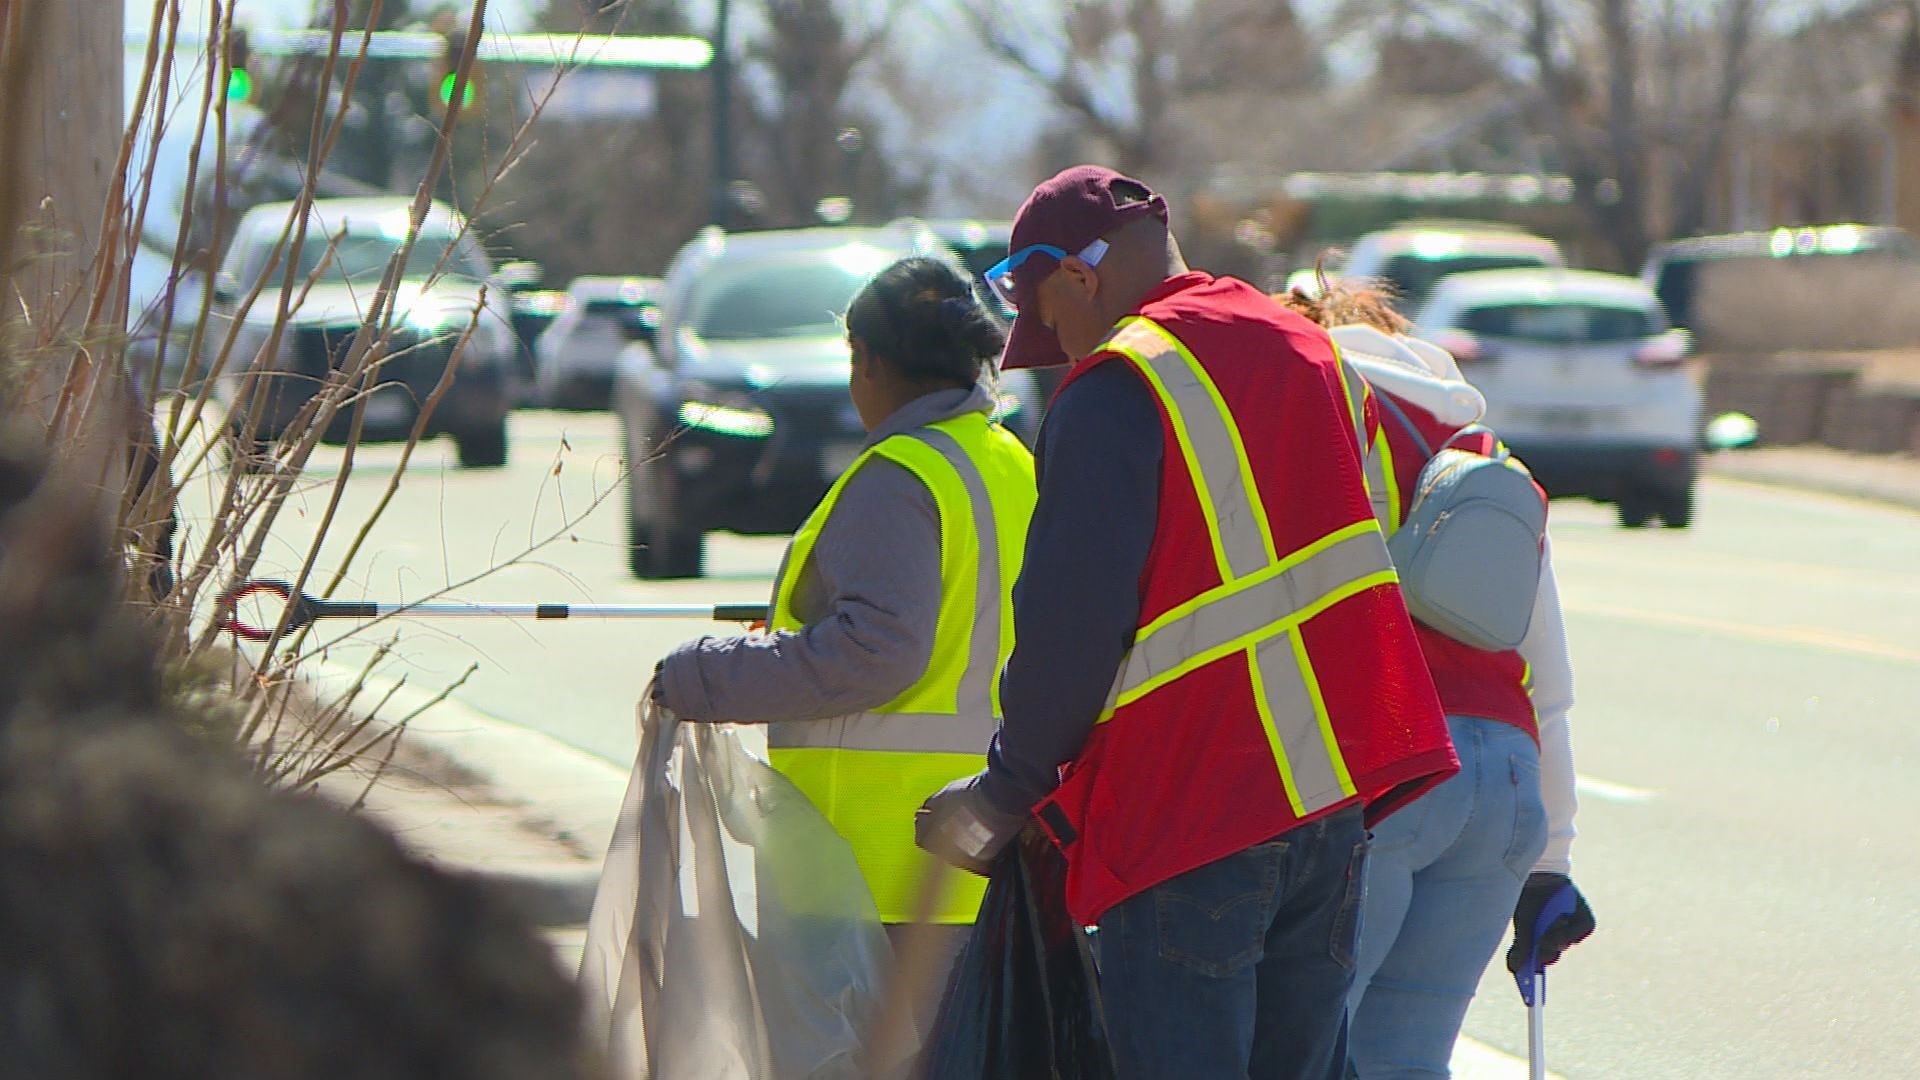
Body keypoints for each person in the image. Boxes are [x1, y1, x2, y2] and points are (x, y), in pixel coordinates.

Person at [913, 165, 1459, 1080]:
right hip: (1326, 805)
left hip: (1188, 814)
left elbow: (1070, 631)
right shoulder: (1314, 353)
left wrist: (1005, 795)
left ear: (1079, 274)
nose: (1057, 343)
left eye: (1046, 312)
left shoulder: (1118, 385)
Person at [652, 257, 1037, 1015]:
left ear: (868, 361)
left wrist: (708, 677)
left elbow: (876, 650)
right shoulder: (1009, 464)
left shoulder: (899, 475)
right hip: (986, 852)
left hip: (877, 867)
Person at [1280, 282, 1597, 1078]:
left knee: (1305, 1051)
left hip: (1385, 767)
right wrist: (1552, 863)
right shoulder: (1488, 456)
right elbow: (1547, 682)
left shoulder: (1312, 419)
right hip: (1503, 786)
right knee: (1410, 1060)